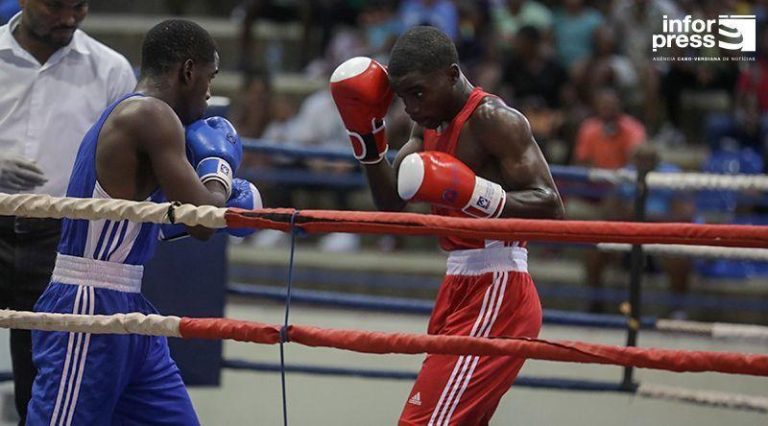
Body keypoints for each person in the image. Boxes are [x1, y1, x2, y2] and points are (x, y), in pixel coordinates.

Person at [25, 19, 261, 425]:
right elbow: (205, 220)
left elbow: (157, 223)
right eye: (209, 77)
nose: (209, 92)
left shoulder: (145, 119)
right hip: (89, 303)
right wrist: (220, 172)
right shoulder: (150, 115)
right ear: (188, 70)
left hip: (129, 305)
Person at [330, 26, 564, 425]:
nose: (411, 107)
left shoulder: (492, 119)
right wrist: (367, 141)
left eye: (418, 92)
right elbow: (391, 203)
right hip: (458, 284)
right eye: (402, 97)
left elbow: (551, 207)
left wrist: (477, 195)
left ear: (452, 75)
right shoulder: (427, 123)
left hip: (498, 287)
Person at [0, 1, 136, 422]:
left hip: (61, 241)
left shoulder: (112, 71)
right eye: (57, 5)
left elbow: (128, 168)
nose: (70, 17)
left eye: (79, 6)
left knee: (45, 382)